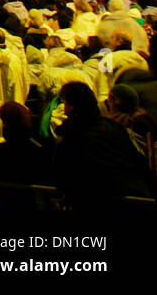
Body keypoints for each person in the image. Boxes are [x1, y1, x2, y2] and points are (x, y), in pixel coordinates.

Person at [54, 81, 154, 209]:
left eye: (65, 102)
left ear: (72, 107)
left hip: (103, 203)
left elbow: (63, 177)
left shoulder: (73, 138)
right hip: (139, 198)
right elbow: (139, 162)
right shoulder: (115, 127)